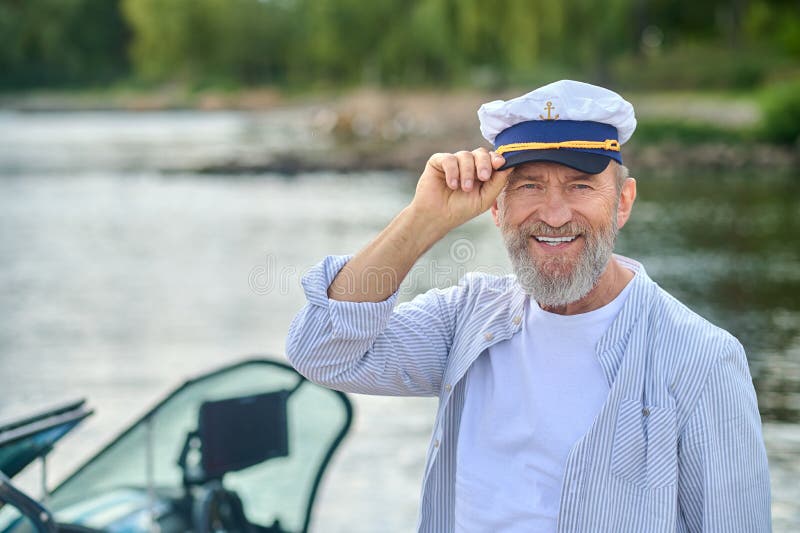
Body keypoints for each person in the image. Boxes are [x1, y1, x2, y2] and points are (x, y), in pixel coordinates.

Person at [286, 80, 771, 532]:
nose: (555, 214)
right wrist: (423, 220)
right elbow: (321, 352)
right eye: (528, 186)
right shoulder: (468, 319)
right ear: (496, 207)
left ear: (622, 202)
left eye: (580, 185)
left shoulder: (701, 359)